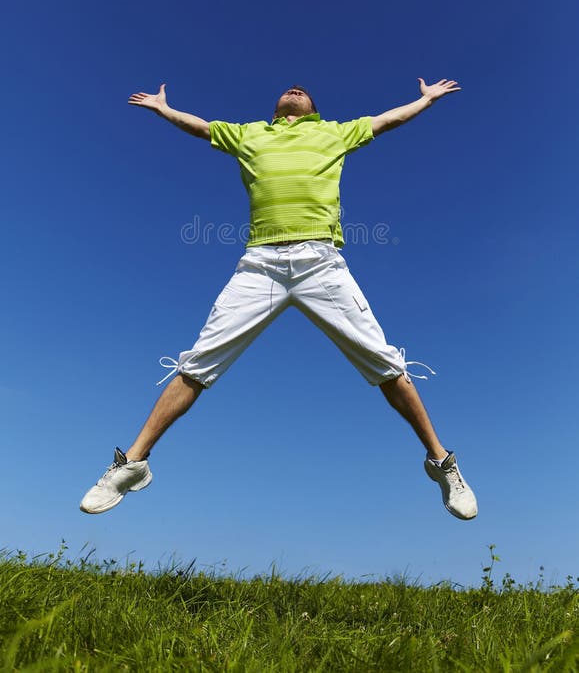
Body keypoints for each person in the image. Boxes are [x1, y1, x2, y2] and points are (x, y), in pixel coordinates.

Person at [80, 82, 477, 521]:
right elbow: (201, 127)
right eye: (290, 89)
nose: (295, 89)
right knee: (199, 360)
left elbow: (387, 120)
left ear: (313, 108)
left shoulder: (335, 132)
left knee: (383, 361)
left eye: (303, 91)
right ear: (276, 107)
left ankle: (441, 463)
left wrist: (425, 100)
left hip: (320, 262)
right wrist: (163, 109)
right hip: (260, 266)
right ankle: (133, 463)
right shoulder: (249, 134)